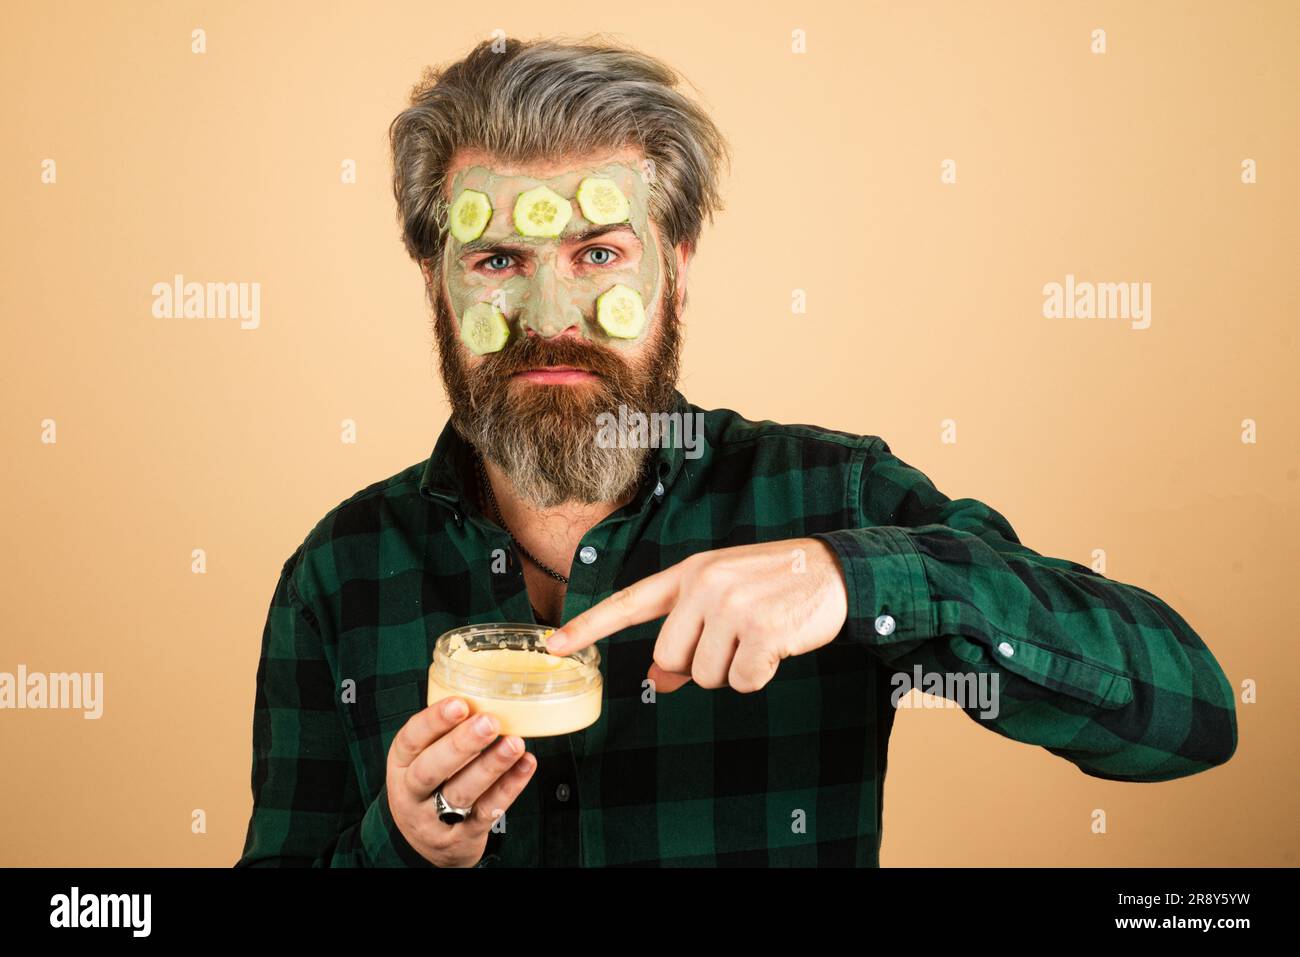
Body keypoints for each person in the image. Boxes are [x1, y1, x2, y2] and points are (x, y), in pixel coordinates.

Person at [235, 37, 1236, 868]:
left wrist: (851, 578)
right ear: (433, 279)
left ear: (675, 262)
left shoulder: (829, 496)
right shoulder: (339, 571)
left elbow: (1187, 716)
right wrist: (399, 847)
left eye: (599, 255)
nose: (551, 318)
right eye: (498, 260)